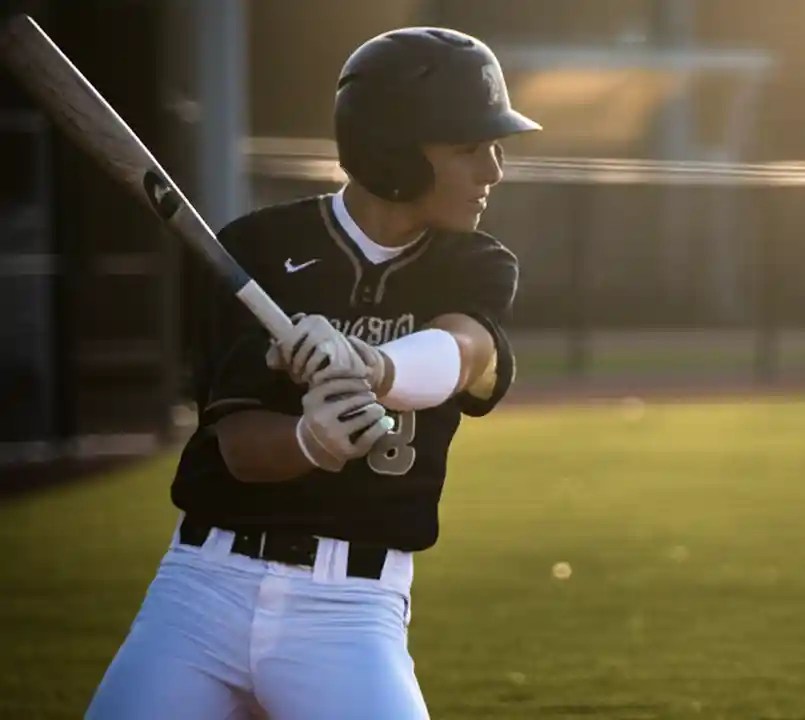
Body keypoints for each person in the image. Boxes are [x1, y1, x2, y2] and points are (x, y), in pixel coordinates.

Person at [87, 26, 539, 719]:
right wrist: (309, 442)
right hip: (202, 595)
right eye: (470, 147)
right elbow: (237, 446)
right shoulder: (257, 249)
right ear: (396, 153)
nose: (493, 169)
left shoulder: (475, 262)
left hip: (349, 613)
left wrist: (373, 362)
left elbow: (467, 355)